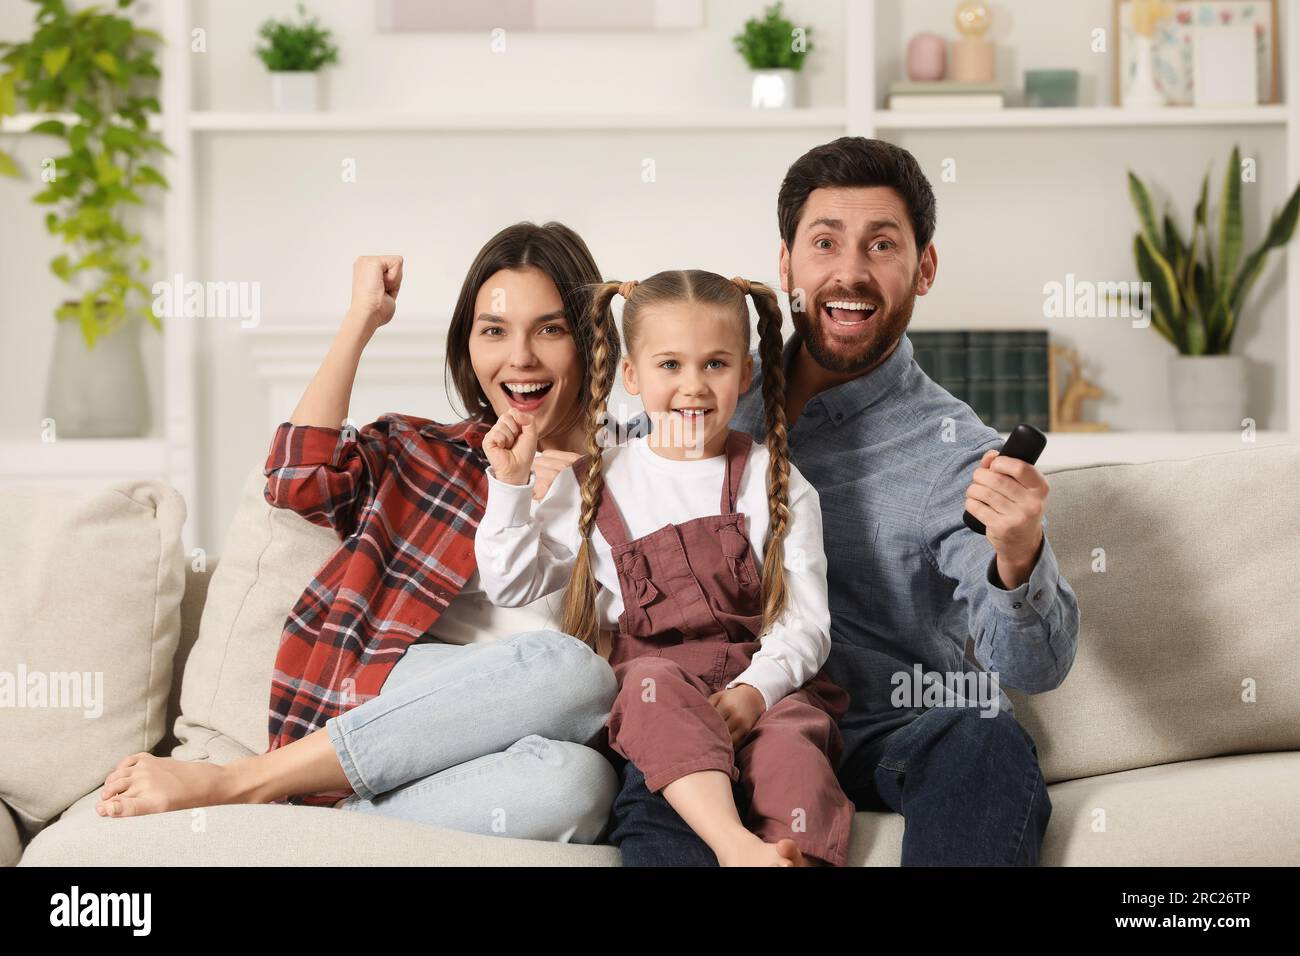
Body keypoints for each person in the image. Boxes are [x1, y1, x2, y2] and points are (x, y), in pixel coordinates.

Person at [608, 138, 1082, 866]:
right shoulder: (709, 386)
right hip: (718, 715)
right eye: (825, 242)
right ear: (787, 264)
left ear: (923, 268)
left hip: (878, 729)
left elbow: (1033, 666)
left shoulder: (951, 449)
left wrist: (1020, 558)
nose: (850, 272)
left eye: (882, 244)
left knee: (982, 733)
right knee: (659, 764)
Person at [94, 222, 624, 844]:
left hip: (516, 734)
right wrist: (360, 320)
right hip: (389, 693)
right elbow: (297, 479)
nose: (521, 357)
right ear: (468, 344)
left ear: (592, 340)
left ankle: (323, 822)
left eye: (551, 329)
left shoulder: (641, 474)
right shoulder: (424, 451)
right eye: (494, 330)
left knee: (578, 785)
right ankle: (246, 781)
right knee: (571, 670)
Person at [476, 270, 854, 867]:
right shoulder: (598, 483)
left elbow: (806, 623)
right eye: (670, 365)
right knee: (652, 683)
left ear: (746, 373)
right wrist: (510, 483)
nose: (693, 387)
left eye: (715, 364)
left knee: (792, 750)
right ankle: (735, 848)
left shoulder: (773, 481)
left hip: (764, 689)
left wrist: (756, 692)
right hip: (659, 699)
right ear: (632, 374)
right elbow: (512, 582)